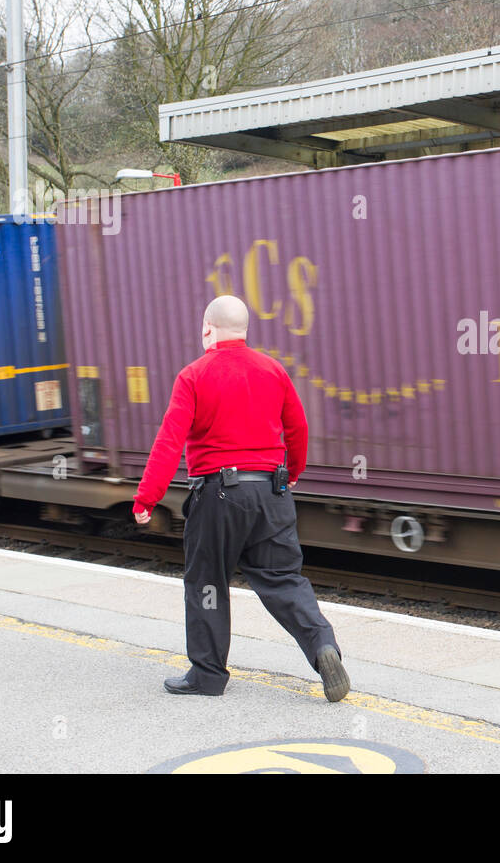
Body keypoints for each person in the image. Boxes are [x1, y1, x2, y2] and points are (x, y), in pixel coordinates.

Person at [131, 294, 350, 702]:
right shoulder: (272, 369)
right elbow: (297, 427)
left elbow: (169, 440)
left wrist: (147, 497)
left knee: (207, 581)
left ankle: (207, 675)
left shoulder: (193, 375)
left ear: (206, 330)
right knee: (282, 577)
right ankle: (323, 647)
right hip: (271, 489)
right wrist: (293, 473)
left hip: (218, 496)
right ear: (245, 330)